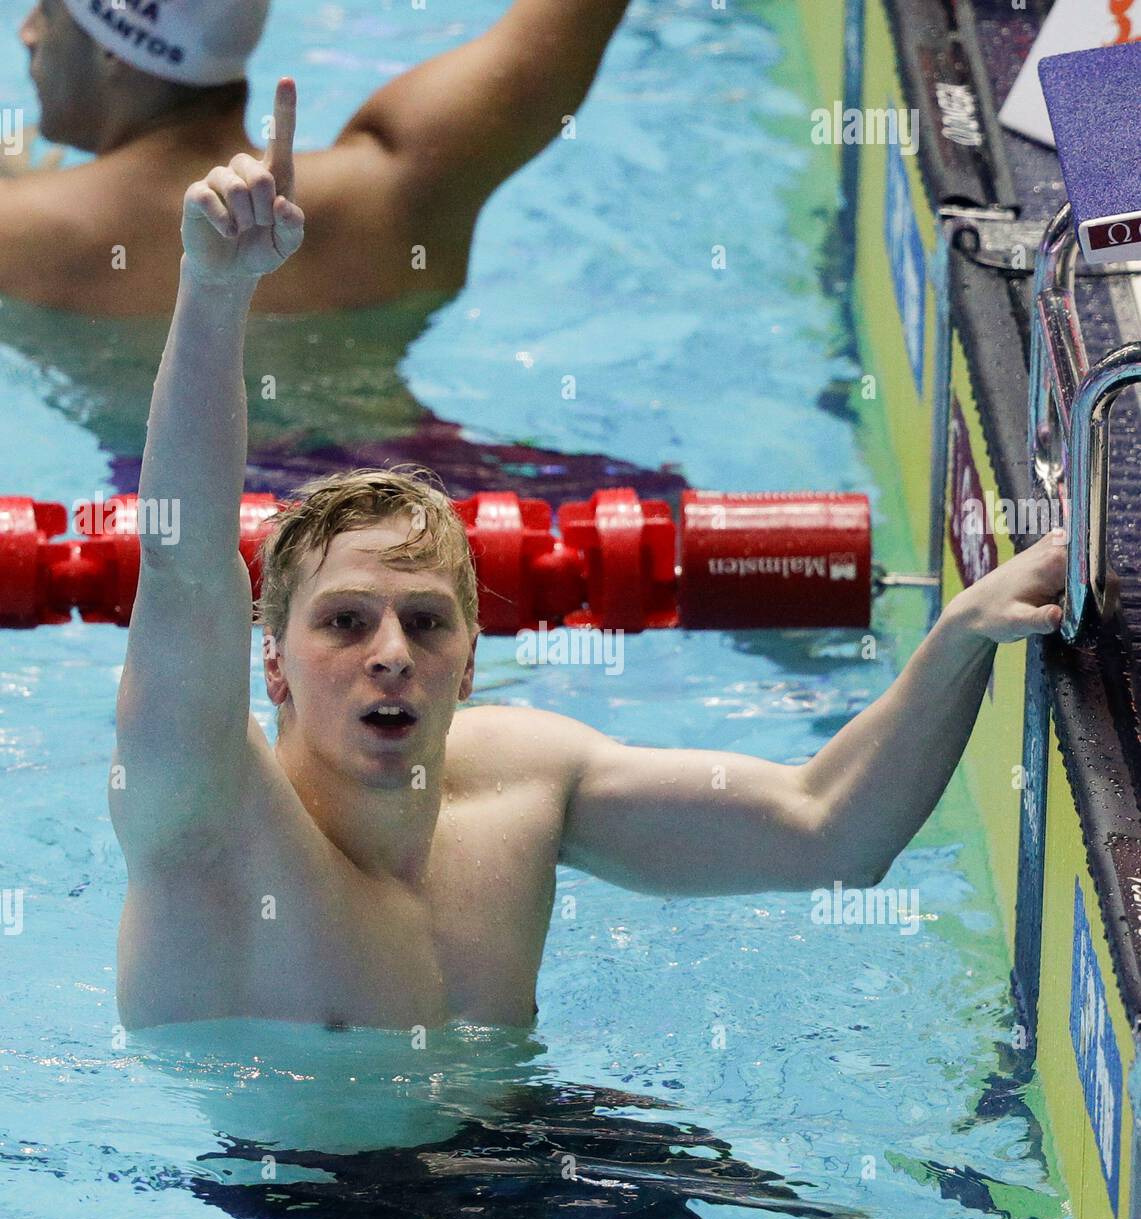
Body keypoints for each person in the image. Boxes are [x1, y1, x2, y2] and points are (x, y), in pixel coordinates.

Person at [111, 79, 1069, 1031]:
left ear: (471, 660)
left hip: (526, 1152)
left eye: (427, 620)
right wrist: (217, 289)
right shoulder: (210, 813)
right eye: (345, 621)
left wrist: (959, 635)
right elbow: (184, 561)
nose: (393, 651)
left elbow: (828, 831)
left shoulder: (521, 781)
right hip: (299, 1185)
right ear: (271, 660)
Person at [10, 0, 633, 316]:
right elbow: (559, 35)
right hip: (411, 512)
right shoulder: (399, 185)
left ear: (115, 55)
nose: (27, 31)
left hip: (169, 529)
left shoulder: (18, 235)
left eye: (49, 11)